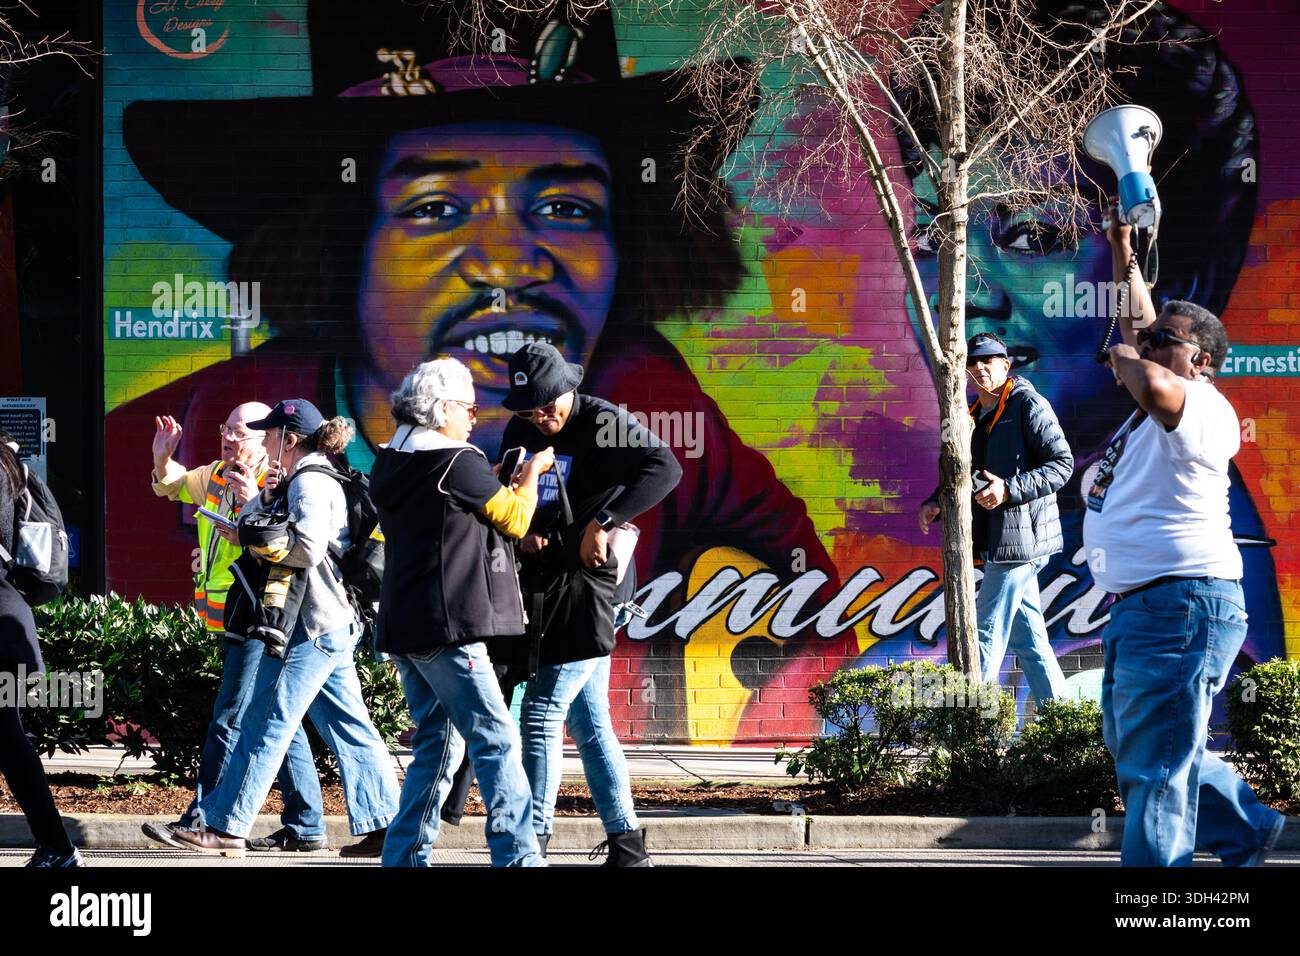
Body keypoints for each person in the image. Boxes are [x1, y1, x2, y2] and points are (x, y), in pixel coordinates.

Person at [104, 3, 840, 750]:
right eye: (436, 207)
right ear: (344, 246)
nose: (508, 263)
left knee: (479, 738)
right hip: (407, 637)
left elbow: (812, 602)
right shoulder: (213, 418)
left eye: (563, 206)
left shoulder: (647, 398)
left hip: (513, 638)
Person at [1082, 200, 1286, 867]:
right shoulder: (1153, 412)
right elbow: (1142, 325)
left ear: (1199, 361)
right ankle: (1246, 825)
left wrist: (1122, 352)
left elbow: (1143, 361)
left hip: (1181, 604)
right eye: (1149, 338)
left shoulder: (1200, 406)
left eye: (1164, 342)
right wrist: (1121, 246)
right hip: (1149, 606)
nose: (1146, 343)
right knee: (1149, 745)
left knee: (1153, 766)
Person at [170, 399, 400, 856]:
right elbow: (275, 527)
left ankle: (227, 828)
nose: (267, 442)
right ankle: (387, 826)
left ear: (289, 441)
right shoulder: (301, 479)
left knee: (265, 721)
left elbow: (309, 549)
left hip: (312, 625)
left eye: (272, 435)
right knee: (349, 727)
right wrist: (264, 502)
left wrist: (252, 535)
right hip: (332, 623)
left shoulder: (310, 483)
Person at [500, 341, 683, 865]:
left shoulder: (603, 420)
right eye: (529, 408)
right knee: (588, 718)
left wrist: (605, 521)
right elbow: (518, 491)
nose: (541, 415)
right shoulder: (523, 429)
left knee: (540, 711)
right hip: (554, 584)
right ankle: (627, 845)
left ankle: (531, 842)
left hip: (597, 588)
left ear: (568, 387)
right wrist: (526, 532)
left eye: (548, 403)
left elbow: (665, 467)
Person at [370, 358, 550, 867]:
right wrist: (532, 473)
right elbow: (515, 519)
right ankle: (520, 858)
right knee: (496, 738)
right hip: (449, 627)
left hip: (404, 624)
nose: (474, 418)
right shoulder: (458, 461)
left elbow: (447, 508)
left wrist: (488, 481)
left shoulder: (393, 458)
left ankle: (404, 857)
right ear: (443, 408)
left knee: (437, 744)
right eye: (468, 408)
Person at [142, 402, 326, 852]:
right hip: (230, 612)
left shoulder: (277, 481)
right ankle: (306, 823)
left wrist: (251, 505)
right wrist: (163, 456)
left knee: (231, 717)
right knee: (279, 718)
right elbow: (172, 485)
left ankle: (202, 817)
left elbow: (295, 547)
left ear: (263, 439)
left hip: (263, 614)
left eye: (239, 432)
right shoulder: (215, 474)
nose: (228, 437)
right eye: (225, 428)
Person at [918, 332, 1073, 701]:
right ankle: (1064, 725)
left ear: (1007, 365)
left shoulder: (1027, 405)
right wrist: (939, 500)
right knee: (1030, 640)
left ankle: (970, 734)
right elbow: (970, 474)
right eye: (973, 362)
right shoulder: (974, 417)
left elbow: (1062, 465)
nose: (980, 368)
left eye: (989, 360)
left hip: (1020, 544)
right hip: (998, 542)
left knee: (983, 635)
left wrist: (1009, 489)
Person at [0, 438, 81, 867]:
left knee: (10, 742)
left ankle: (60, 848)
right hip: (8, 623)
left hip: (2, 626)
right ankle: (58, 847)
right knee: (9, 743)